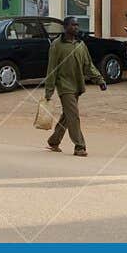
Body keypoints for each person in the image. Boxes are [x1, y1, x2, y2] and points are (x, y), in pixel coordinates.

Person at [43, 16, 108, 156]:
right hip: (64, 86)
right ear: (65, 27)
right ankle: (79, 146)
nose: (76, 27)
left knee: (67, 115)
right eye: (73, 25)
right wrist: (49, 91)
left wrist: (99, 80)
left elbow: (88, 65)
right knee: (74, 115)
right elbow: (51, 68)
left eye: (77, 25)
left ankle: (54, 141)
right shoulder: (56, 45)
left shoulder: (80, 45)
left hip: (77, 85)